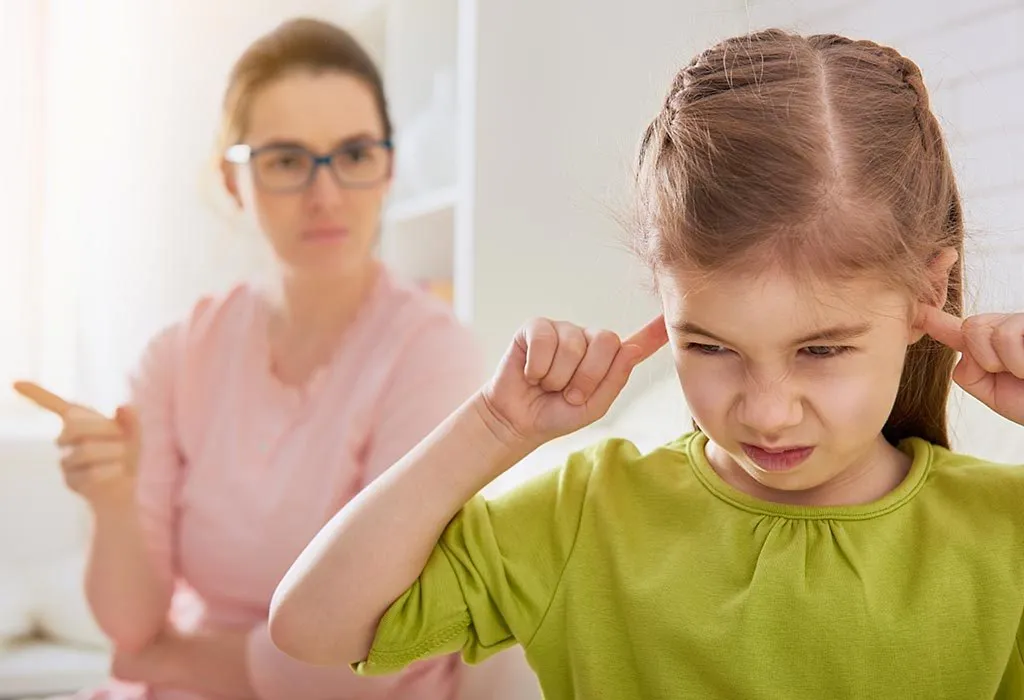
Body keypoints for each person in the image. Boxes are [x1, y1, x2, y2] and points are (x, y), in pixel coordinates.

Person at [266, 28, 1024, 699]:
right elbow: (313, 628)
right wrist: (495, 424)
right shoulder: (585, 513)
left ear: (929, 289)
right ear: (660, 299)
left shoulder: (1003, 531)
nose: (765, 411)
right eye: (710, 346)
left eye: (820, 350)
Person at [13, 17, 484, 700]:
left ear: (387, 165)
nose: (326, 194)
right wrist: (111, 503)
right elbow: (130, 630)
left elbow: (385, 646)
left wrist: (182, 660)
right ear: (233, 180)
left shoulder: (433, 355)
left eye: (353, 153)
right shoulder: (177, 356)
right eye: (287, 160)